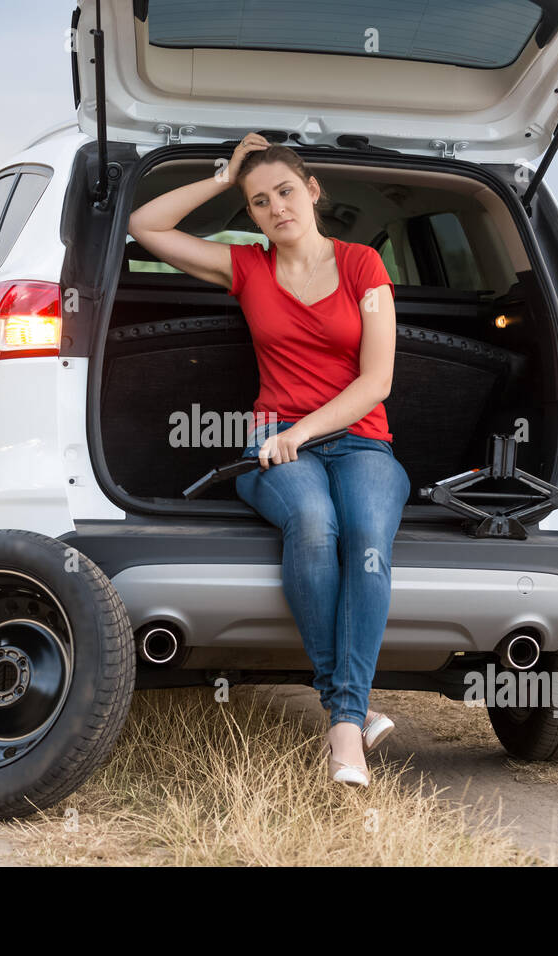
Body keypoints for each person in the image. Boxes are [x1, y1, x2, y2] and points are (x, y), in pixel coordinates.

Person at [127, 133, 410, 788]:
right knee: (313, 524)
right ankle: (348, 723)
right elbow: (146, 226)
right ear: (249, 215)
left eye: (285, 190)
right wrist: (224, 176)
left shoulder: (363, 266)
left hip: (360, 439)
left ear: (312, 191)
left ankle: (346, 709)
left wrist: (305, 432)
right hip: (273, 441)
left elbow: (376, 383)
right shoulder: (246, 267)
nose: (275, 207)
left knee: (366, 537)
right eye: (258, 201)